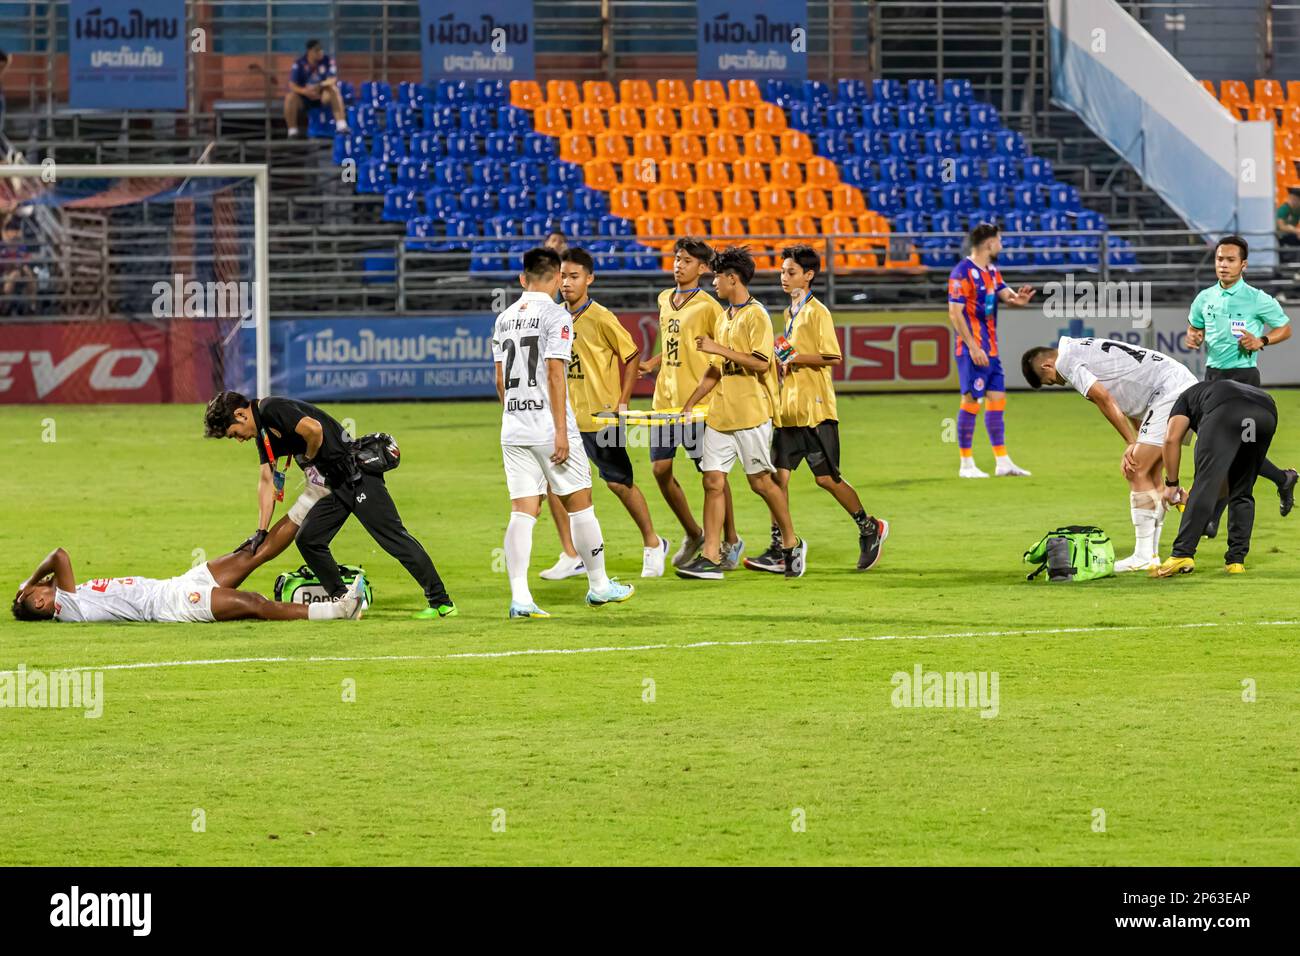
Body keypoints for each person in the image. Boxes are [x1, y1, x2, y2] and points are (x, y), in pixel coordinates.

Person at [203, 391, 457, 619]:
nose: (238, 440)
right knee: (309, 540)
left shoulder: (271, 409)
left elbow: (313, 429)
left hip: (356, 478)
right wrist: (261, 530)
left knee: (393, 538)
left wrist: (312, 461)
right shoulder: (264, 436)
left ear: (240, 414)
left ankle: (441, 602)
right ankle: (343, 600)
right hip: (331, 486)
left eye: (234, 434)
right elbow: (267, 480)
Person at [493, 246, 635, 617]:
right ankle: (600, 586)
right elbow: (556, 374)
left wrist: (514, 415)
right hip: (548, 426)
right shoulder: (557, 315)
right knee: (580, 504)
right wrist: (560, 431)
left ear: (523, 279)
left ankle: (521, 598)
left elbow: (499, 381)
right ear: (556, 278)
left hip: (513, 428)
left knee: (523, 511)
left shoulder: (504, 317)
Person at [746, 244, 888, 574]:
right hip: (788, 410)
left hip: (815, 410)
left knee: (826, 479)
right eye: (782, 271)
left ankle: (869, 527)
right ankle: (780, 547)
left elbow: (833, 357)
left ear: (808, 276)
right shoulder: (789, 313)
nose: (784, 277)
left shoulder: (817, 312)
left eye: (791, 272)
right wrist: (781, 362)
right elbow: (791, 355)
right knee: (777, 480)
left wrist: (793, 357)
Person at [538, 248, 669, 579]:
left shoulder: (601, 317)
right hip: (564, 419)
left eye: (574, 276)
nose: (566, 283)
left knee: (618, 482)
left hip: (600, 417)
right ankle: (572, 554)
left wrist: (622, 402)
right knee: (555, 486)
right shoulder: (553, 317)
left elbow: (632, 355)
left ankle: (654, 543)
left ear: (590, 279)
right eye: (563, 276)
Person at [678, 246, 806, 580]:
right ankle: (710, 556)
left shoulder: (755, 315)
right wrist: (690, 404)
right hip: (721, 414)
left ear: (732, 278)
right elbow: (715, 370)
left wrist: (717, 347)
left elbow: (762, 362)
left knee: (761, 483)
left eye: (718, 277)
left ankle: (791, 543)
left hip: (751, 412)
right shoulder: (724, 318)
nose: (714, 284)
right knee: (712, 481)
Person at [1022, 336, 1198, 572]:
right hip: (1174, 385)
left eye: (1050, 381)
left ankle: (1143, 555)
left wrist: (1131, 443)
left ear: (1047, 365)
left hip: (1170, 391)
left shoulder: (1066, 361)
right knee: (1150, 475)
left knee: (1136, 469)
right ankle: (1151, 554)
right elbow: (1130, 395)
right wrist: (1139, 438)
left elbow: (1102, 397)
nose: (1058, 383)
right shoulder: (1081, 348)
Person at [639, 237, 743, 569]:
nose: (678, 265)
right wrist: (653, 364)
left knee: (712, 476)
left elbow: (717, 350)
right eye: (676, 259)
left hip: (699, 405)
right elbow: (675, 346)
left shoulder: (711, 307)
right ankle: (693, 532)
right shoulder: (664, 299)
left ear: (702, 268)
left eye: (685, 260)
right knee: (660, 469)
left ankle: (730, 540)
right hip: (664, 402)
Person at [1184, 234, 1296, 537]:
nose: (1223, 265)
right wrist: (1193, 337)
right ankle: (1283, 478)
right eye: (1220, 259)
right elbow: (1194, 328)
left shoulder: (1256, 298)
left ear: (1243, 265)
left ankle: (1212, 516)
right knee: (1217, 449)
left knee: (1237, 450)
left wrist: (1262, 340)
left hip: (1245, 380)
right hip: (1213, 379)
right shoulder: (1205, 297)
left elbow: (1285, 327)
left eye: (1230, 260)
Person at [12, 545, 363, 623]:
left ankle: (314, 495)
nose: (44, 583)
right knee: (255, 603)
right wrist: (28, 581)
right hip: (171, 604)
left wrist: (35, 585)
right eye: (37, 590)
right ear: (42, 603)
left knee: (251, 552)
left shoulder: (67, 598)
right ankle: (338, 610)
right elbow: (59, 555)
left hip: (173, 585)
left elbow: (55, 571)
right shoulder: (68, 608)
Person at [1153, 379, 1279, 577]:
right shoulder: (1203, 394)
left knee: (1205, 484)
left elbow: (1171, 439)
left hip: (1227, 410)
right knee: (1243, 488)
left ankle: (1181, 554)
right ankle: (1236, 561)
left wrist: (1172, 484)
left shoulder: (1182, 400)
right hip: (1266, 411)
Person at [947, 222, 1036, 478]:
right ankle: (966, 464)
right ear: (989, 243)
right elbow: (955, 312)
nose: (1001, 245)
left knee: (997, 402)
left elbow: (1004, 293)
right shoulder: (961, 273)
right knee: (971, 402)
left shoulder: (991, 271)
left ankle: (1002, 461)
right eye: (999, 240)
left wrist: (1016, 299)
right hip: (972, 351)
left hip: (992, 351)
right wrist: (972, 346)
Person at [285, 39, 348, 138]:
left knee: (333, 90)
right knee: (290, 97)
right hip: (305, 98)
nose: (321, 52)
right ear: (310, 51)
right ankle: (292, 131)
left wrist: (320, 86)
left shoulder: (328, 61)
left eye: (321, 49)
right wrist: (305, 91)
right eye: (317, 50)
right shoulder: (299, 63)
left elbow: (332, 79)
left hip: (321, 96)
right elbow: (292, 85)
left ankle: (341, 125)